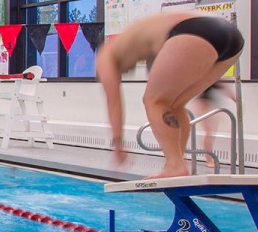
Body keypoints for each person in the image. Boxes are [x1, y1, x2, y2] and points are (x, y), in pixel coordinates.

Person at [95, 10, 244, 179]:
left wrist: (117, 143)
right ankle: (177, 163)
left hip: (193, 31)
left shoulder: (105, 56)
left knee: (153, 101)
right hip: (231, 38)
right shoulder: (146, 42)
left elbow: (114, 102)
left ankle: (175, 165)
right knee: (174, 104)